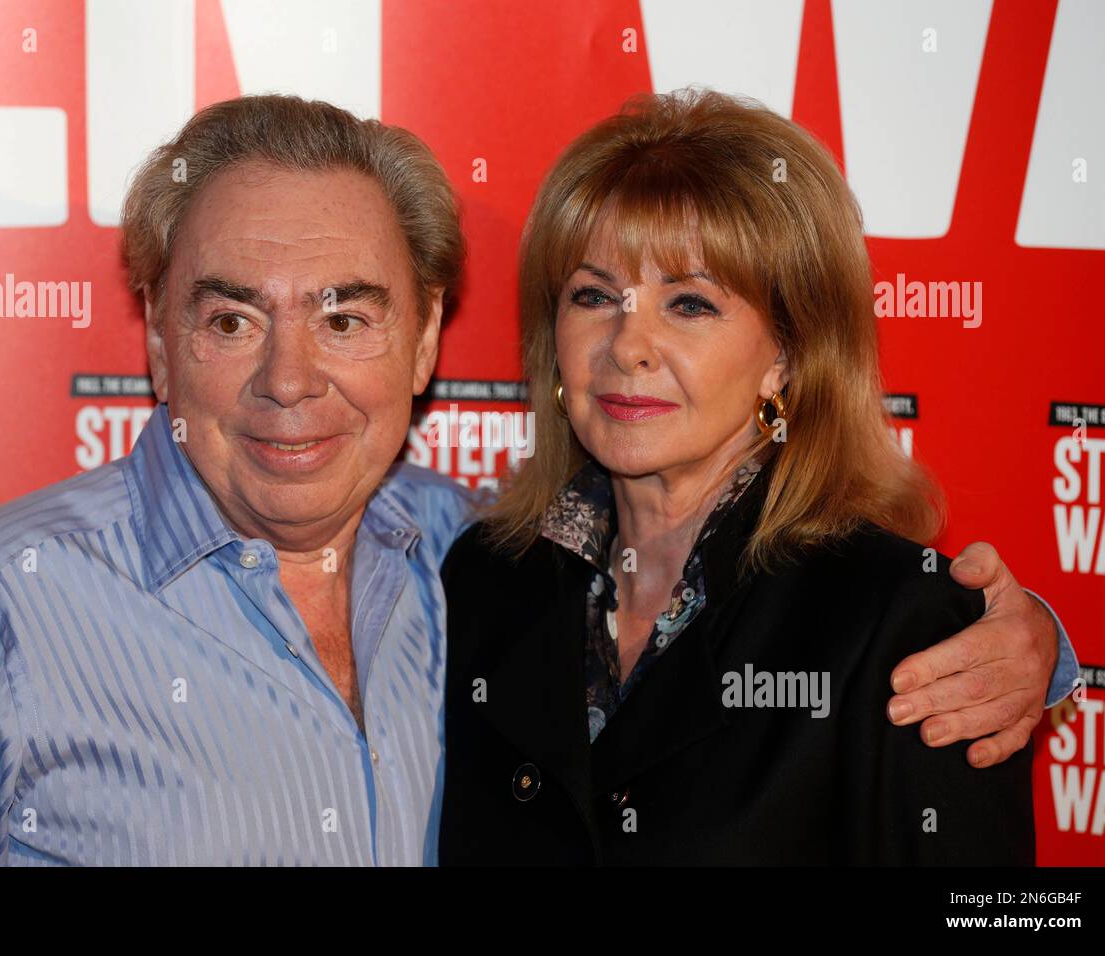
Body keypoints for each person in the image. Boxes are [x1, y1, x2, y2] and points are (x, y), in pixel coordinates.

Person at [0, 93, 1073, 867]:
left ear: (427, 339)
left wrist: (1026, 642)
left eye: (346, 315)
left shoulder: (466, 560)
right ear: (154, 334)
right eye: (227, 320)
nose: (289, 380)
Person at [438, 89, 1045, 864]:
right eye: (593, 296)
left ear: (787, 354)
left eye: (690, 304)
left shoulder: (900, 624)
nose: (628, 346)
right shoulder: (488, 580)